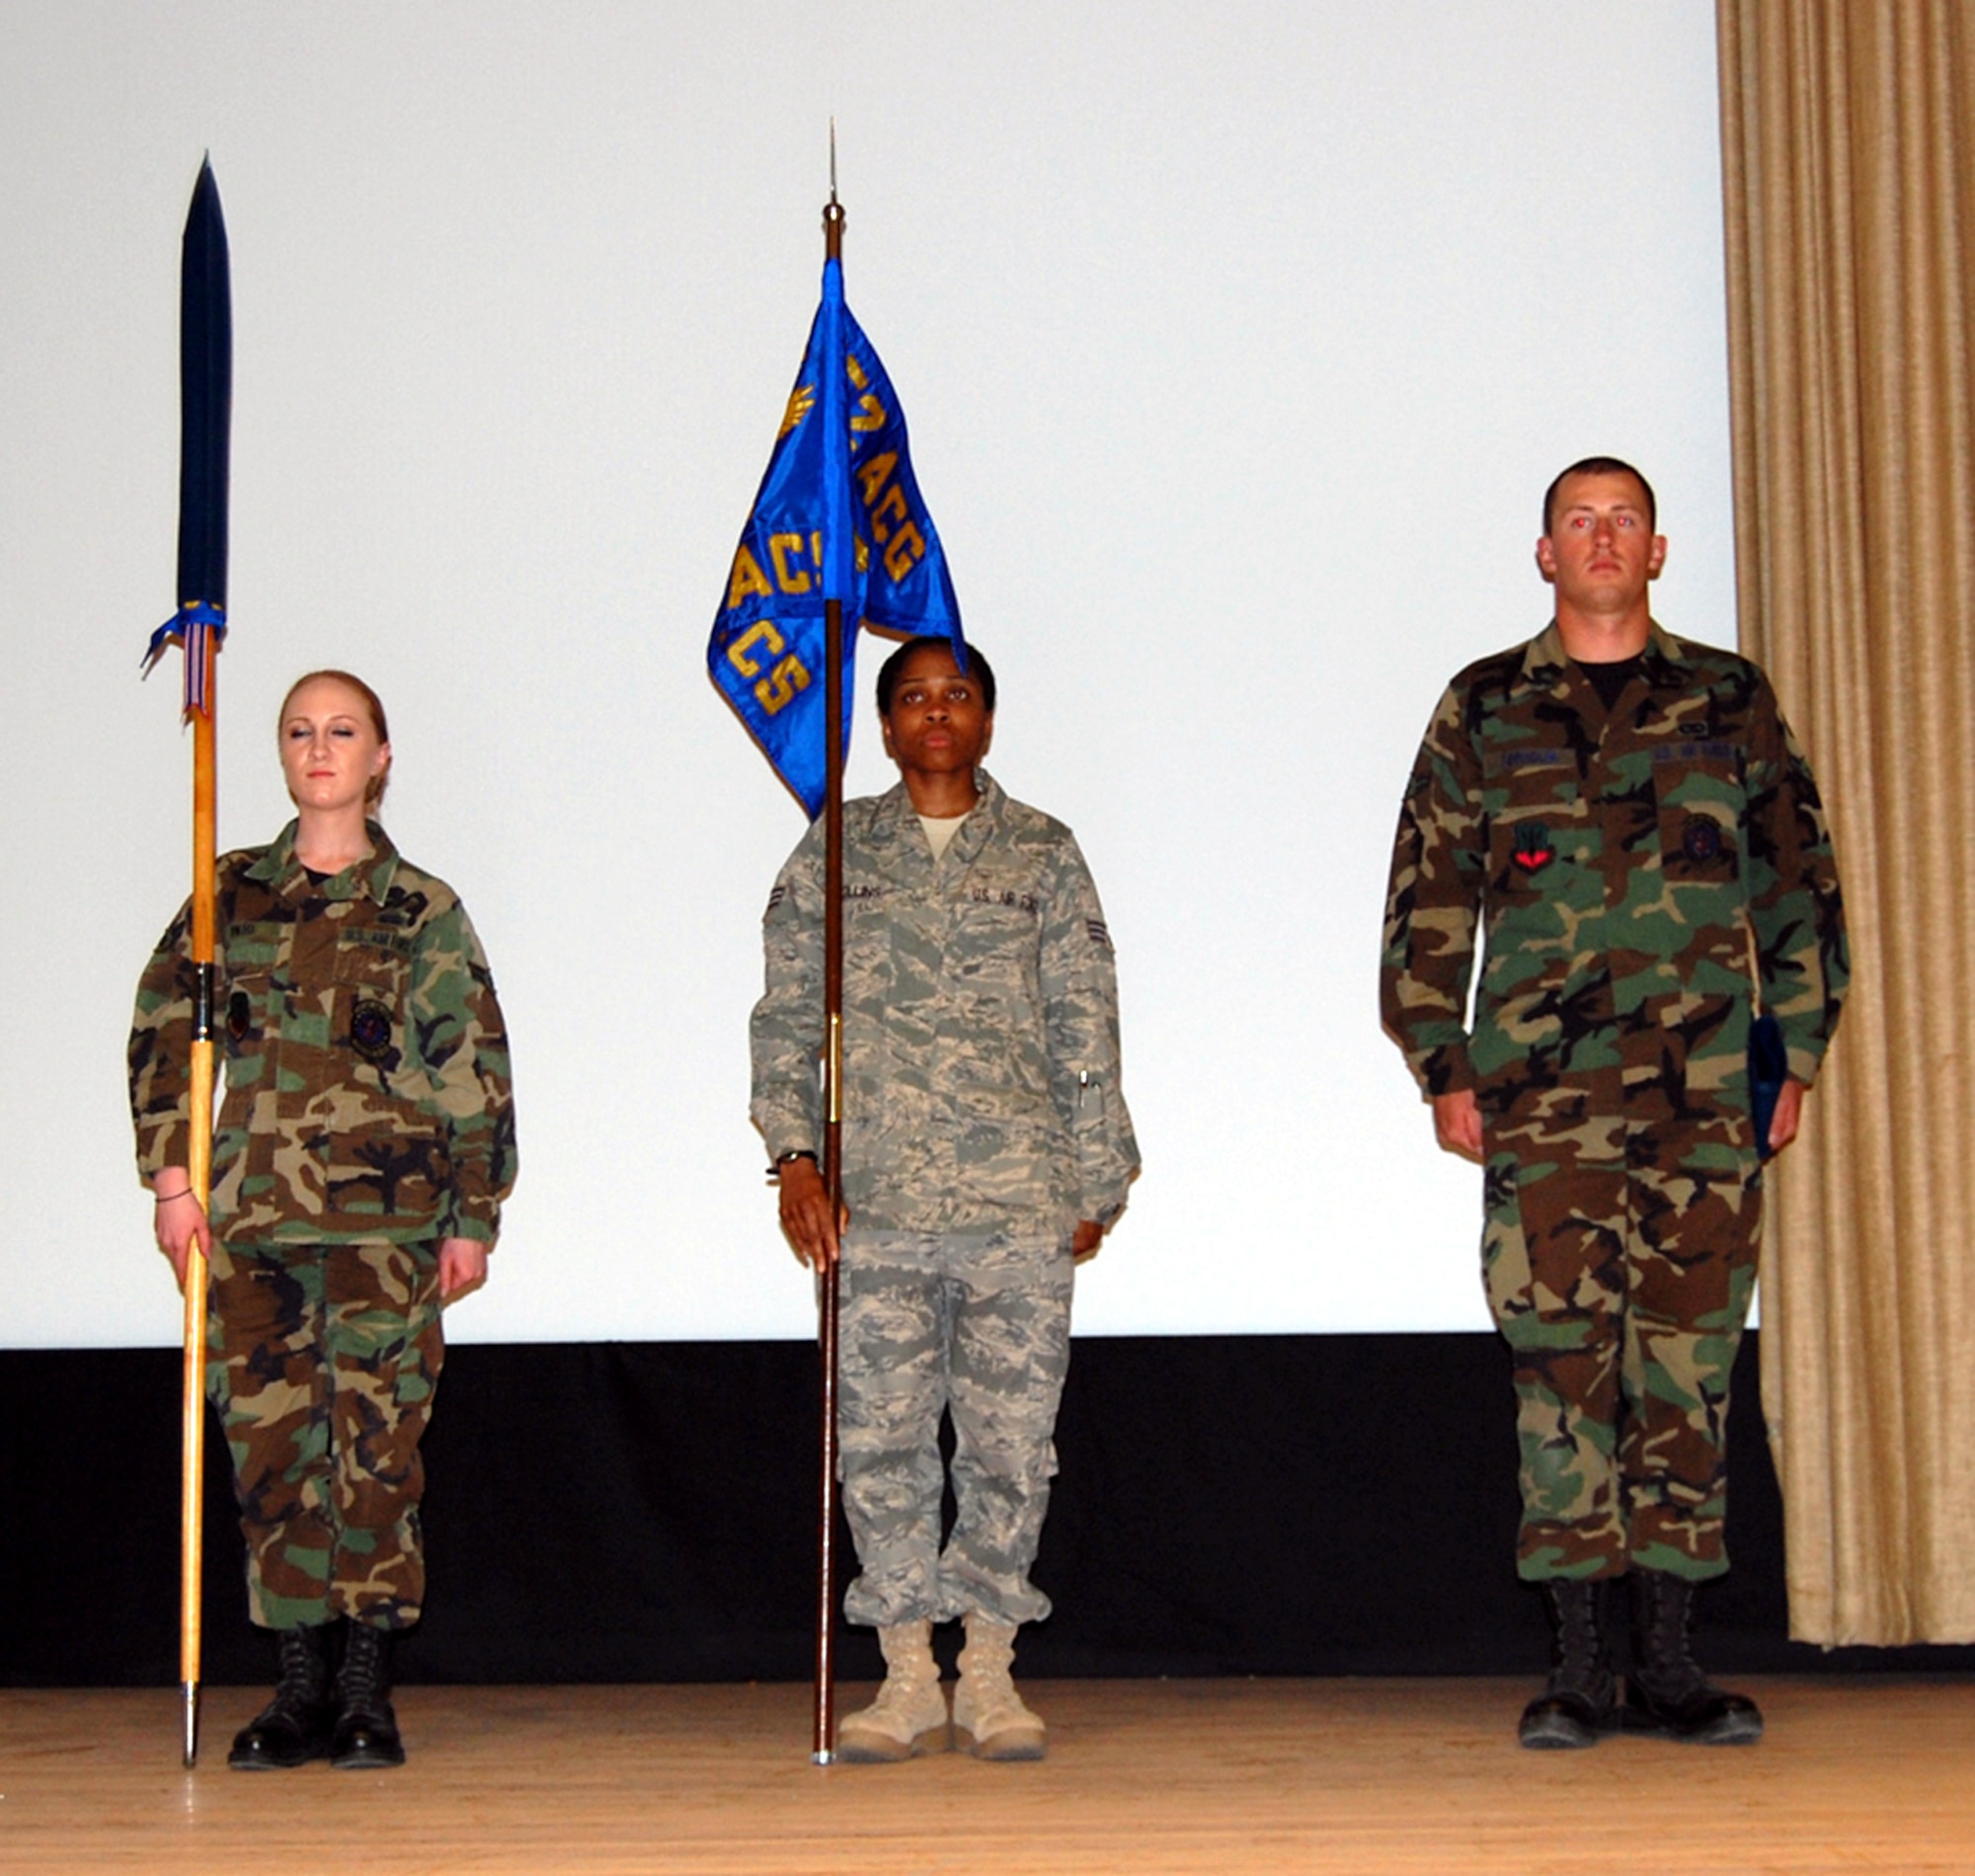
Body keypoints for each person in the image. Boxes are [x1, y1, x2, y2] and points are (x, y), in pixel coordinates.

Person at [1380, 459, 1847, 1749]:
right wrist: (1443, 1062)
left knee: (1686, 1369)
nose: (1601, 538)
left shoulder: (1729, 699)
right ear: (1545, 553)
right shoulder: (1484, 705)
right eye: (1578, 522)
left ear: (1656, 549)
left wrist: (1792, 1054)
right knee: (1560, 1369)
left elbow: (1796, 884)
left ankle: (1673, 1664)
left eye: (1622, 520)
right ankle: (1579, 1666)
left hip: (1704, 1097)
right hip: (1543, 1100)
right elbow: (1428, 894)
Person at [751, 636, 1139, 1762]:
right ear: (883, 728)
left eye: (956, 695)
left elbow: (1084, 1020)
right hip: (873, 1203)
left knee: (1010, 1448)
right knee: (880, 1444)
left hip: (1018, 1200)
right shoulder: (835, 853)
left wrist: (1096, 1175)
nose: (935, 712)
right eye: (913, 697)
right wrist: (795, 1160)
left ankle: (991, 1671)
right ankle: (909, 1674)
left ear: (985, 720)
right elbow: (785, 1018)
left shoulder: (1042, 851)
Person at [129, 669, 516, 1771]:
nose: (320, 747)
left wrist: (473, 1212)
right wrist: (173, 1181)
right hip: (253, 1225)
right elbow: (163, 1032)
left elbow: (472, 1066)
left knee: (378, 1457)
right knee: (271, 1459)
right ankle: (296, 1685)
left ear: (380, 757)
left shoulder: (420, 909)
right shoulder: (227, 896)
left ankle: (362, 1690)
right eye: (300, 729)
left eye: (343, 730)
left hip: (387, 1232)